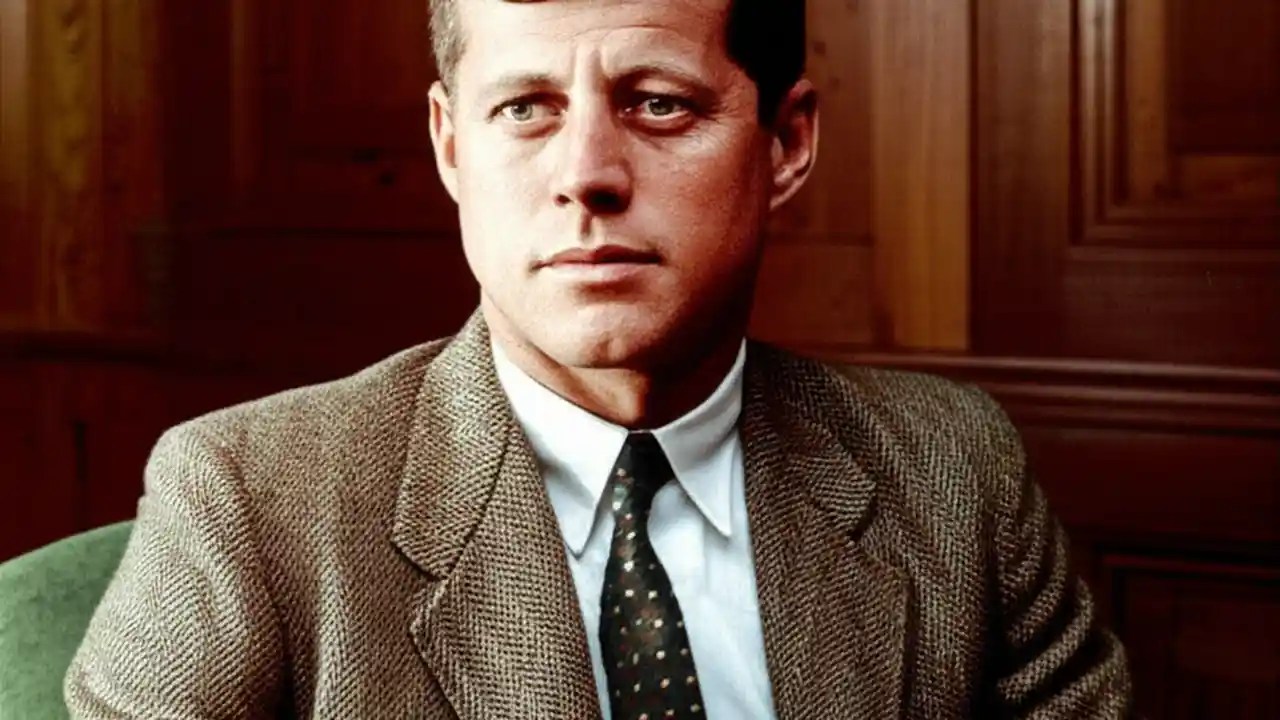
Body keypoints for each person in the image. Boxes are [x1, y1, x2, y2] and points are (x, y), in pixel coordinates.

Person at [65, 1, 1134, 717]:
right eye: (524, 109)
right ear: (450, 146)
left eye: (657, 103)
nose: (585, 174)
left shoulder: (951, 467)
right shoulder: (247, 499)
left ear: (785, 144)